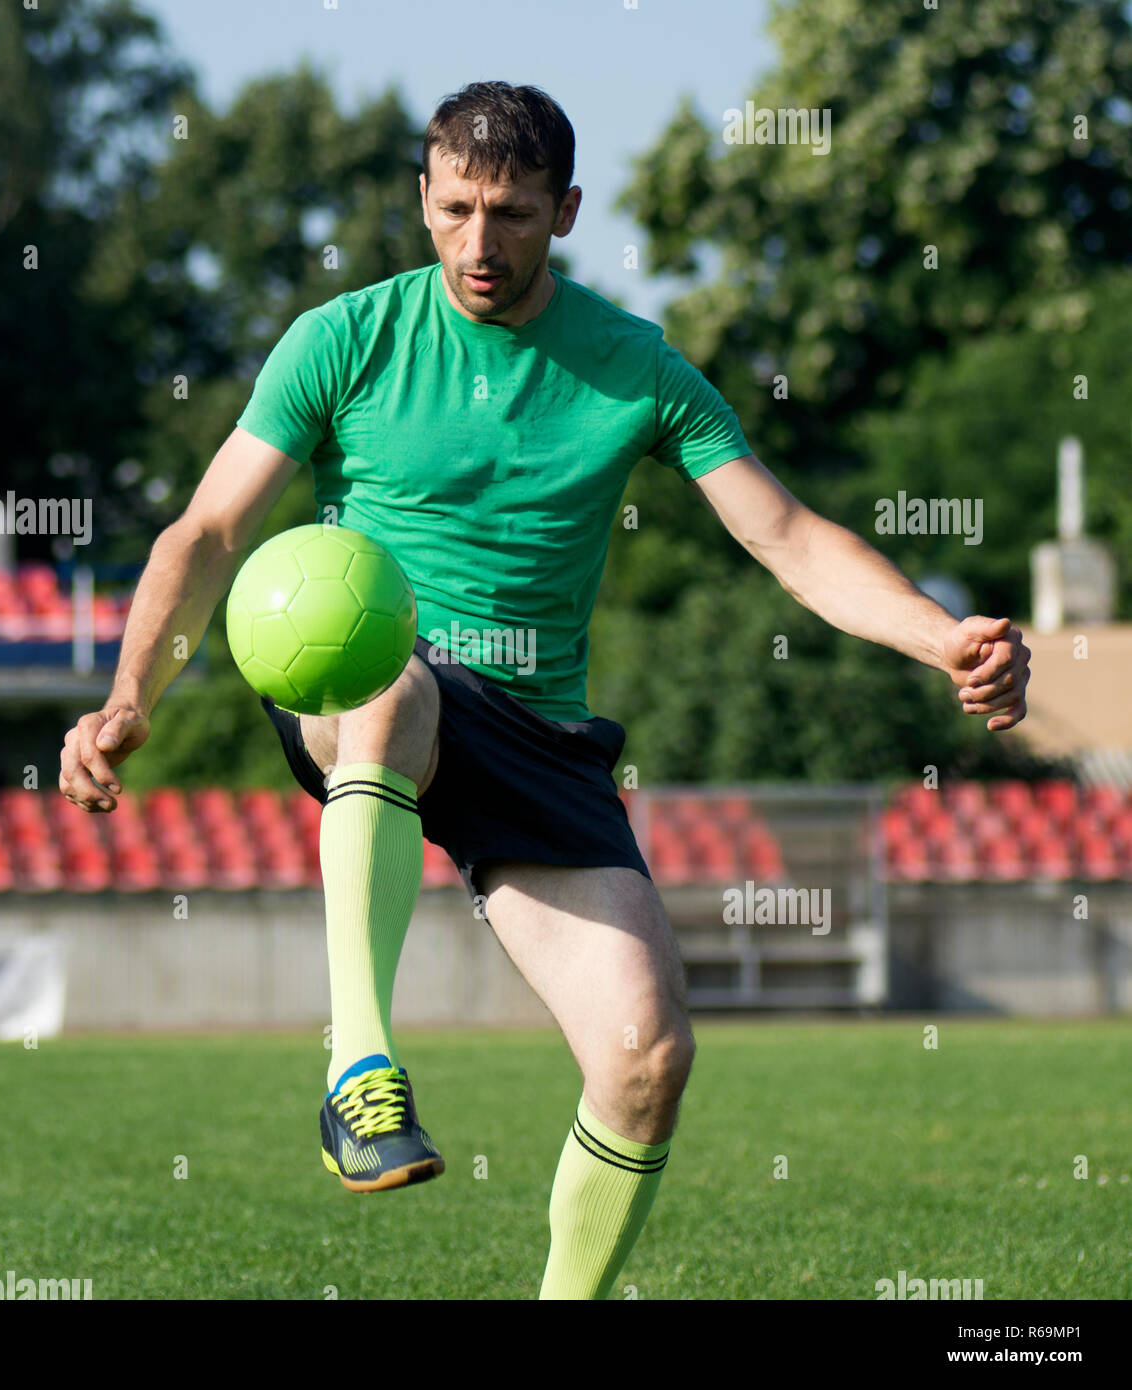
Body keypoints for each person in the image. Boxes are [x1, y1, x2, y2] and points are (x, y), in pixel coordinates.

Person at [59, 81, 1031, 1299]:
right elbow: (205, 533)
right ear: (421, 201)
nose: (480, 241)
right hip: (362, 681)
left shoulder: (635, 365)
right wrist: (131, 692)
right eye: (456, 207)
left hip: (538, 733)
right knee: (388, 682)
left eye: (512, 212)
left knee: (646, 1052)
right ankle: (358, 1065)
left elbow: (785, 536)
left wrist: (939, 636)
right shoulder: (343, 339)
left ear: (566, 210)